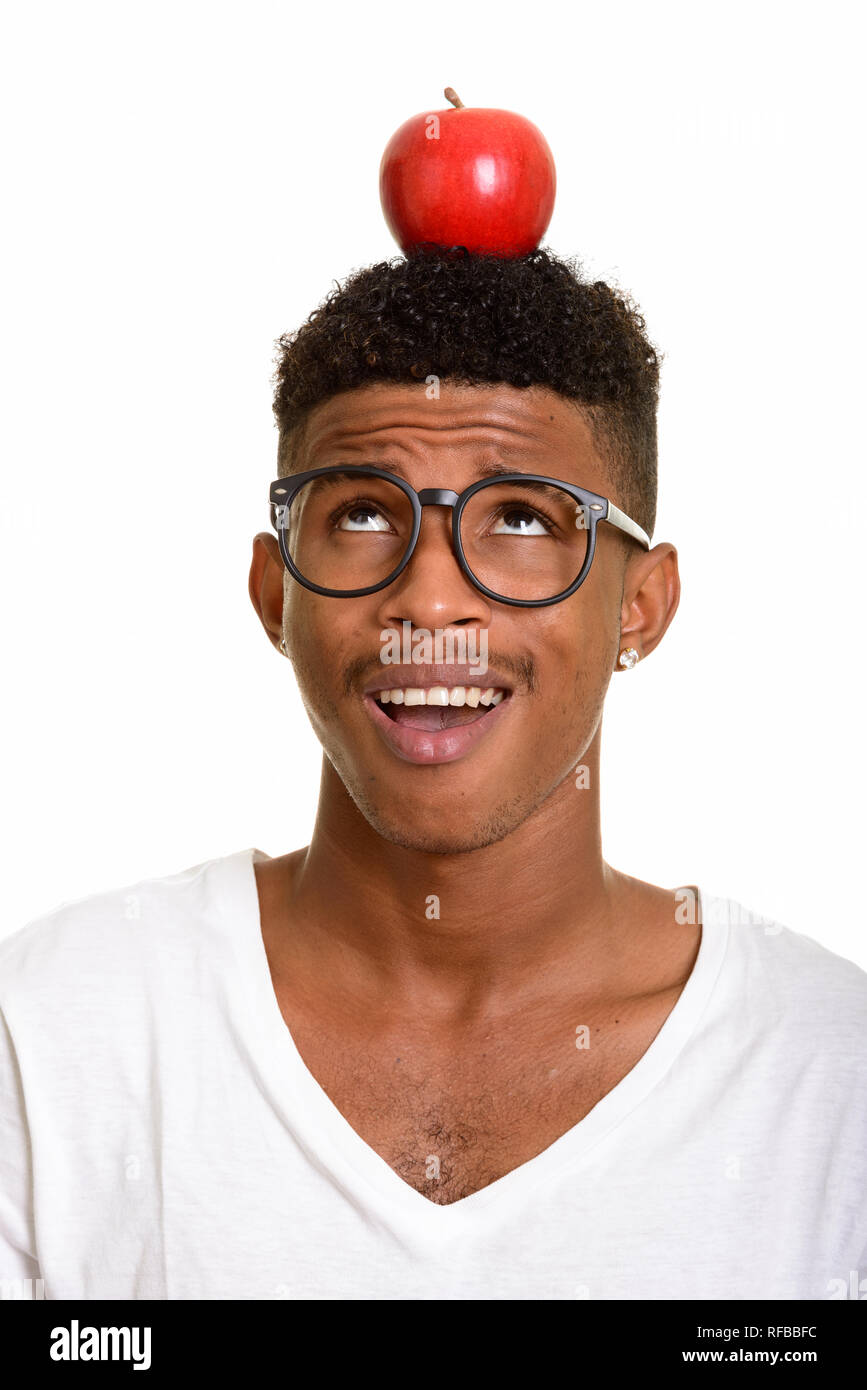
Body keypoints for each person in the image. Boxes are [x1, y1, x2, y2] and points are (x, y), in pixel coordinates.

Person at [2, 249, 865, 1301]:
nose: (433, 603)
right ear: (276, 593)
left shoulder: (830, 1079)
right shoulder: (53, 1040)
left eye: (520, 519)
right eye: (363, 512)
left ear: (643, 602)